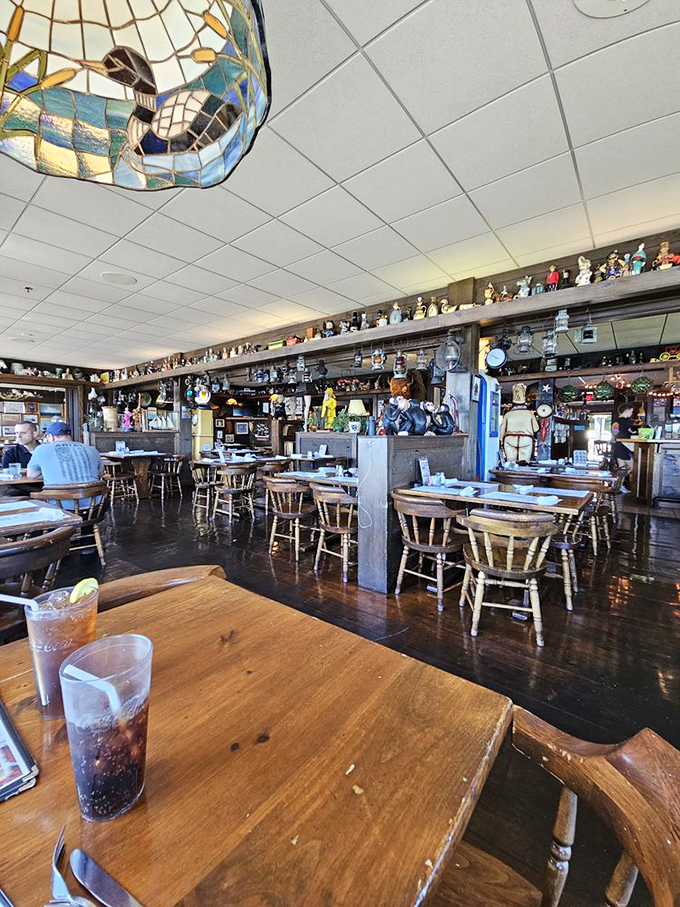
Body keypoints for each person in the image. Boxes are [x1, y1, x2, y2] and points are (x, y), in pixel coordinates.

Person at [27, 421, 104, 509]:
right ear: (70, 436)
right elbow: (100, 473)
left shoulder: (41, 449)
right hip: (95, 507)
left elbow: (31, 475)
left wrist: (51, 473)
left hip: (60, 509)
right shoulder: (91, 449)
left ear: (50, 437)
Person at [1, 421, 42, 496]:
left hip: (48, 488)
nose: (18, 436)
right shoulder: (10, 453)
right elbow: (6, 474)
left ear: (34, 434)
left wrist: (22, 470)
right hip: (21, 490)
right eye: (16, 433)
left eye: (23, 433)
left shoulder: (46, 450)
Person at [611, 404, 638, 491]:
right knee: (632, 467)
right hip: (624, 446)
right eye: (631, 411)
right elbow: (633, 432)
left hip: (617, 445)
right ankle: (616, 482)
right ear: (627, 411)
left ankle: (619, 486)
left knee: (621, 467)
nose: (631, 413)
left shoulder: (615, 421)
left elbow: (615, 432)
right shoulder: (627, 421)